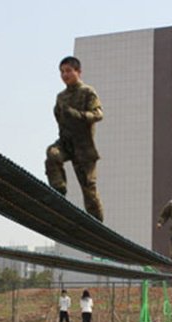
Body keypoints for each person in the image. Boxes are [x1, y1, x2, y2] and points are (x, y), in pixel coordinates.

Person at [45, 56, 105, 221]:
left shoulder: (87, 92)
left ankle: (97, 226)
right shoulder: (61, 96)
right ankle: (59, 191)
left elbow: (99, 114)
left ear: (78, 72)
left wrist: (79, 116)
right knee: (52, 154)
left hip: (84, 146)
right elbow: (58, 116)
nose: (65, 75)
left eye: (68, 71)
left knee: (89, 190)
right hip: (65, 141)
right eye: (62, 72)